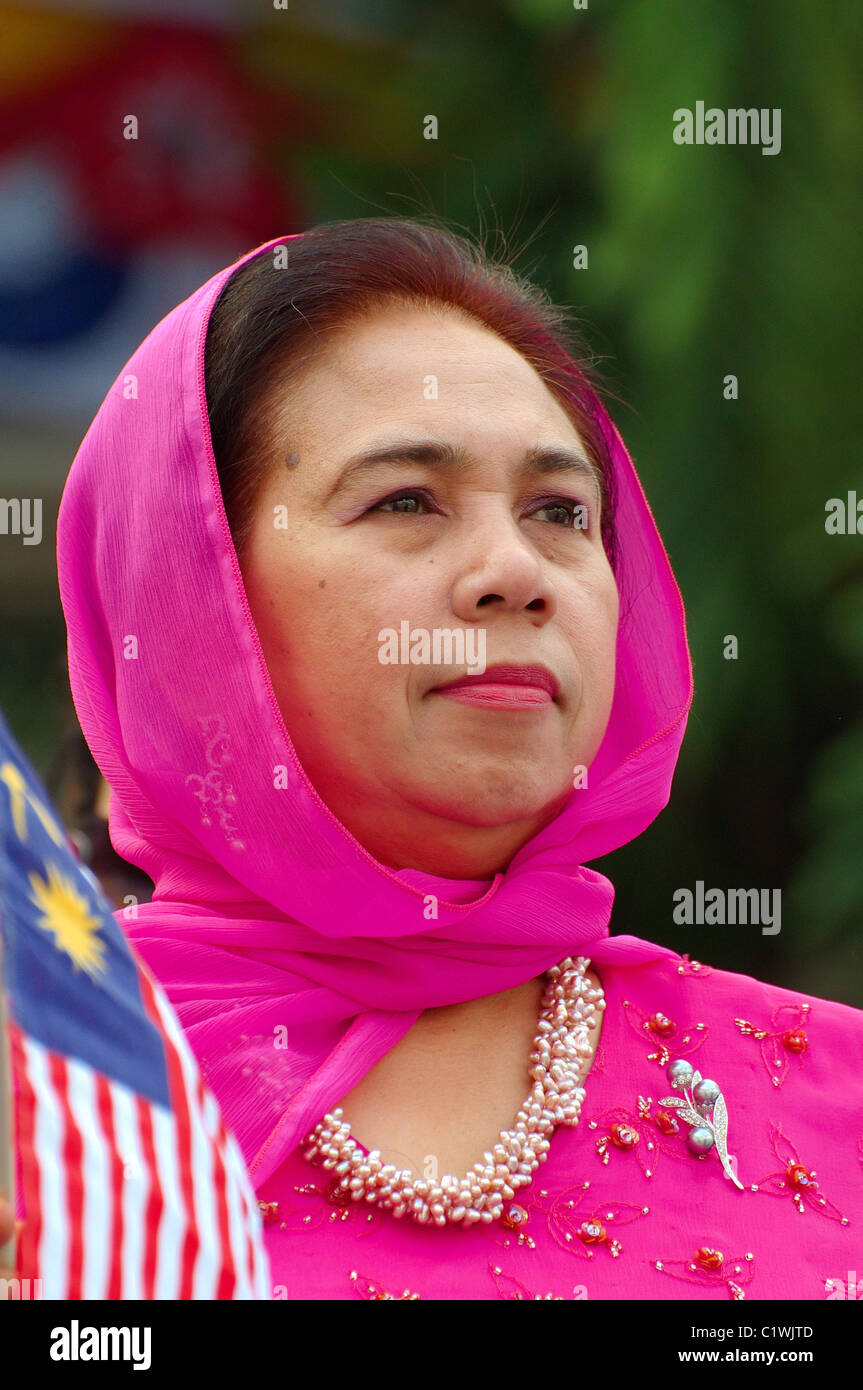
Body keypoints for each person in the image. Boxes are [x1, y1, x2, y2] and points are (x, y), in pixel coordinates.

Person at [54, 219, 863, 1301]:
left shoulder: (824, 1090)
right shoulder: (46, 1099)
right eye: (405, 500)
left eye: (560, 512)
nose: (516, 572)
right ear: (192, 593)